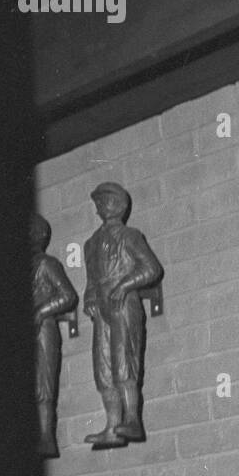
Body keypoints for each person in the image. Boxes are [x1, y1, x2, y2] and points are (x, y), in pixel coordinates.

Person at [82, 182, 162, 449]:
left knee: (124, 361)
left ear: (119, 204)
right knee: (103, 366)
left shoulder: (130, 236)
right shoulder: (91, 243)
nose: (101, 208)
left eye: (105, 201)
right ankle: (112, 425)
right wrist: (90, 299)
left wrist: (124, 285)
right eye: (98, 203)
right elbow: (91, 281)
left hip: (123, 302)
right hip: (103, 308)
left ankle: (131, 419)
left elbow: (151, 269)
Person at [30, 212, 78, 458]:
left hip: (43, 329)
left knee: (44, 384)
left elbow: (68, 296)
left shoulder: (47, 264)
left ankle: (46, 436)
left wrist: (41, 311)